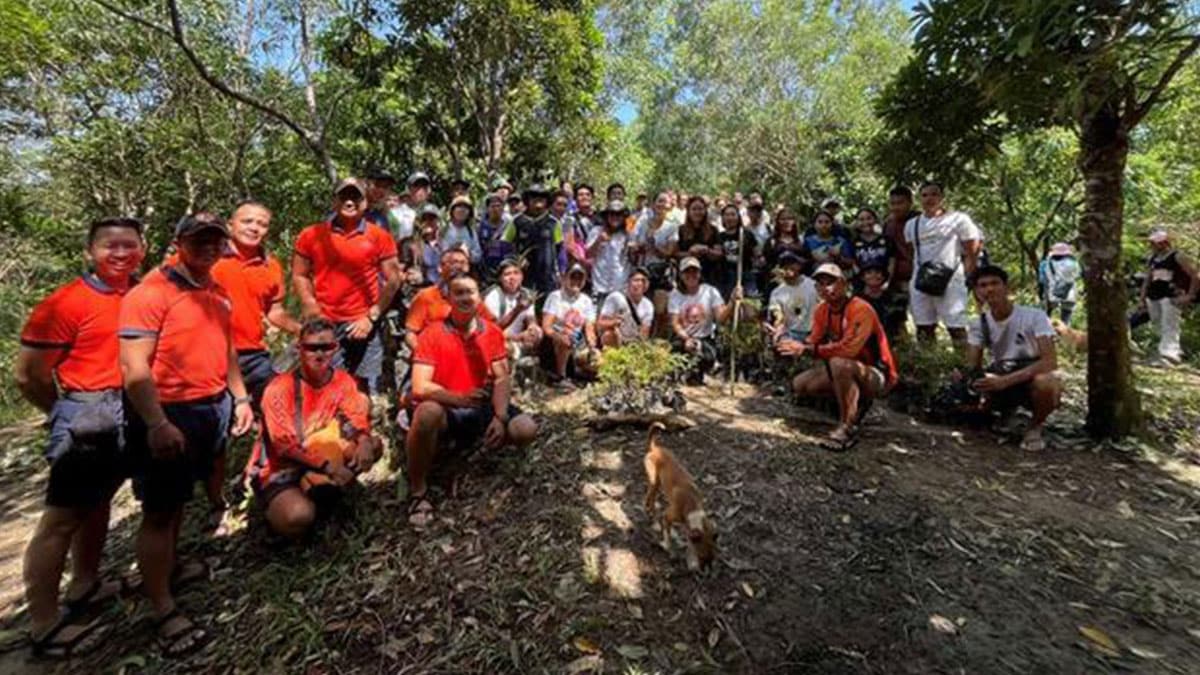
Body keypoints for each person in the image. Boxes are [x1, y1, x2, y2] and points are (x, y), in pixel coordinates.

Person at [119, 212, 255, 657]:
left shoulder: (215, 291)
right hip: (168, 410)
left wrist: (239, 399)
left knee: (178, 501)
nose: (209, 248)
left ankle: (169, 568)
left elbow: (228, 349)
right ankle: (161, 606)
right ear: (179, 241)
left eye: (216, 241)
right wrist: (156, 422)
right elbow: (133, 366)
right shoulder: (151, 293)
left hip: (210, 404)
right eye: (199, 240)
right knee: (159, 510)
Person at [16, 217, 144, 658]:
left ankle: (85, 583)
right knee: (62, 516)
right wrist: (63, 412)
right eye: (111, 246)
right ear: (91, 251)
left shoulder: (138, 293)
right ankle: (44, 625)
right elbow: (29, 375)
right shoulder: (66, 302)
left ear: (142, 250)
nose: (121, 253)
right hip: (88, 408)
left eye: (130, 245)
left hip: (132, 405)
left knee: (100, 499)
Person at [406, 272, 539, 527]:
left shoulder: (491, 332)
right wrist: (458, 398)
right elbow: (420, 386)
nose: (466, 297)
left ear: (479, 297)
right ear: (448, 297)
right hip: (448, 406)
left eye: (471, 292)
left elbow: (502, 377)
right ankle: (418, 490)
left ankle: (483, 446)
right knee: (426, 413)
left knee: (526, 429)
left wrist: (500, 417)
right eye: (459, 292)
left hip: (481, 405)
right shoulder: (431, 334)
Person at [246, 318, 383, 539]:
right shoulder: (279, 389)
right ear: (299, 349)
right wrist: (328, 468)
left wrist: (364, 440)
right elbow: (284, 446)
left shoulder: (342, 380)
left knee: (374, 446)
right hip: (281, 467)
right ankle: (281, 511)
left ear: (335, 348)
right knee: (298, 517)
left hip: (317, 450)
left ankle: (327, 492)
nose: (319, 354)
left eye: (326, 347)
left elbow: (356, 416)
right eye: (312, 348)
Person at [293, 178, 404, 394]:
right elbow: (299, 274)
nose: (350, 202)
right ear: (335, 201)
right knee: (327, 385)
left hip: (363, 323)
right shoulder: (311, 235)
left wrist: (372, 316)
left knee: (364, 386)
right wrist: (309, 304)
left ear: (365, 203)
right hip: (325, 323)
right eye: (344, 196)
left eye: (356, 197)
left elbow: (393, 279)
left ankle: (361, 425)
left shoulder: (379, 236)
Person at [783, 264, 898, 448]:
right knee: (800, 385)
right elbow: (812, 341)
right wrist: (788, 344)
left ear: (843, 284)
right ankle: (850, 401)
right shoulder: (822, 311)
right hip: (845, 368)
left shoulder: (861, 309)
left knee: (840, 364)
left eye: (831, 282)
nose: (826, 288)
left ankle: (848, 426)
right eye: (820, 284)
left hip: (876, 373)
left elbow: (848, 350)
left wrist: (808, 349)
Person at [965, 265, 1064, 451]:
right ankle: (1002, 413)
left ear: (1007, 287)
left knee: (1048, 381)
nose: (989, 289)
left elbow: (1050, 361)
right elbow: (973, 364)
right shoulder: (979, 323)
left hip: (1030, 374)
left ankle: (1035, 426)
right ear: (976, 292)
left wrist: (1005, 381)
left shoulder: (1034, 316)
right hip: (1001, 373)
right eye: (983, 285)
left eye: (995, 283)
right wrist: (975, 381)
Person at [904, 181, 983, 346]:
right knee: (924, 326)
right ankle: (929, 364)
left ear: (942, 197)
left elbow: (973, 248)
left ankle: (963, 364)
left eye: (934, 194)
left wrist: (967, 274)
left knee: (956, 325)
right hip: (922, 280)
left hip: (951, 279)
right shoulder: (912, 224)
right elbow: (912, 251)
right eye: (924, 195)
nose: (929, 199)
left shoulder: (959, 219)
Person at [669, 256, 738, 383]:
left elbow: (721, 318)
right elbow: (675, 323)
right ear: (681, 275)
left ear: (700, 273)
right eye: (687, 272)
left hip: (704, 339)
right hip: (683, 337)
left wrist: (732, 302)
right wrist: (686, 339)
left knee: (707, 355)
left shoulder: (710, 291)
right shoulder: (675, 294)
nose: (691, 275)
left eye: (694, 271)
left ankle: (701, 370)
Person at [1138, 228, 1198, 365]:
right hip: (1153, 296)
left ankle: (1169, 354)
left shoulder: (1177, 256)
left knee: (1170, 323)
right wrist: (1142, 298)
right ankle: (1171, 350)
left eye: (1155, 243)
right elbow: (1148, 278)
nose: (1152, 246)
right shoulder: (1153, 258)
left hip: (1171, 295)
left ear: (1164, 243)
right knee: (1158, 323)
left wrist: (1189, 295)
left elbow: (1194, 275)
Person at [542, 263, 599, 388]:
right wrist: (558, 336)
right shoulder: (555, 297)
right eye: (573, 277)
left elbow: (589, 326)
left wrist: (591, 341)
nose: (576, 281)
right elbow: (546, 327)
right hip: (556, 341)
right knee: (566, 339)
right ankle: (560, 376)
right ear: (564, 278)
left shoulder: (586, 300)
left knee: (597, 358)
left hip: (578, 340)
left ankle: (581, 372)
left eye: (580, 278)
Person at [632, 192, 680, 335]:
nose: (661, 204)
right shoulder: (642, 223)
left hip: (661, 273)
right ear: (653, 204)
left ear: (670, 205)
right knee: (642, 310)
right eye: (659, 201)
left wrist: (654, 247)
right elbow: (634, 242)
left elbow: (669, 251)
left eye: (665, 202)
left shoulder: (672, 226)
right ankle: (641, 341)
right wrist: (637, 247)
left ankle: (658, 342)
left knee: (660, 311)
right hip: (642, 269)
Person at [502, 184, 564, 295]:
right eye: (534, 197)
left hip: (548, 278)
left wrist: (562, 274)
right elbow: (504, 246)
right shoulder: (517, 221)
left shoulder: (553, 223)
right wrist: (516, 259)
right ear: (527, 200)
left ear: (547, 201)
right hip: (522, 278)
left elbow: (560, 252)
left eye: (542, 198)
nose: (538, 200)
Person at [483, 259, 542, 360]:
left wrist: (532, 327)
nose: (512, 278)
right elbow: (492, 330)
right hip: (500, 341)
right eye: (507, 274)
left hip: (519, 339)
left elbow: (530, 317)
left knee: (538, 331)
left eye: (516, 273)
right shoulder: (493, 296)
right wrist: (517, 310)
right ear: (500, 278)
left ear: (522, 277)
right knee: (508, 348)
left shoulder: (526, 294)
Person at [767, 252, 819, 346]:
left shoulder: (814, 285)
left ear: (799, 266)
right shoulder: (776, 293)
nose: (788, 267)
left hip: (814, 332)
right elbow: (777, 315)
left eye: (792, 263)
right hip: (791, 334)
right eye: (784, 265)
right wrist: (778, 328)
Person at [587, 200, 633, 301]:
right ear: (606, 216)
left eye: (619, 214)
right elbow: (588, 255)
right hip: (599, 286)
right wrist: (598, 241)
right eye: (612, 214)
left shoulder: (627, 235)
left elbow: (632, 259)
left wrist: (634, 250)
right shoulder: (596, 231)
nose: (615, 217)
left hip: (621, 286)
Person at [598, 267, 654, 347]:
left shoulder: (648, 305)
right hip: (617, 338)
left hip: (633, 342)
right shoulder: (616, 297)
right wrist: (614, 322)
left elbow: (644, 332)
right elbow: (600, 324)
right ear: (629, 282)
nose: (640, 283)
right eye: (636, 280)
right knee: (609, 334)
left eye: (643, 281)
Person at [676, 196, 722, 285]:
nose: (697, 212)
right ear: (688, 212)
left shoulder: (713, 230)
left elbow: (719, 253)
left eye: (700, 209)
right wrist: (690, 253)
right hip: (687, 276)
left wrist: (707, 250)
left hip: (709, 275)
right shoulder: (680, 230)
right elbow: (675, 253)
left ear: (705, 211)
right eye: (694, 209)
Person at [716, 204, 758, 298]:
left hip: (746, 274)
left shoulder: (747, 234)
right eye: (726, 215)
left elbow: (757, 253)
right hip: (726, 276)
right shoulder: (719, 236)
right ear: (722, 218)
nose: (730, 218)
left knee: (752, 302)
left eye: (733, 214)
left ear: (738, 217)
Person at [882, 186, 918, 294]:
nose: (896, 207)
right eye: (893, 203)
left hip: (919, 277)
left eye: (900, 203)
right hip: (895, 279)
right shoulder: (888, 223)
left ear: (910, 203)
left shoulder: (921, 221)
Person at [857, 264, 907, 340]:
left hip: (891, 341)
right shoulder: (856, 300)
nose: (873, 275)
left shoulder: (895, 299)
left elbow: (901, 326)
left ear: (884, 277)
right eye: (869, 273)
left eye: (878, 272)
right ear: (863, 277)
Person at [1038, 242, 1081, 324]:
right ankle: (1064, 334)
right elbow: (1078, 275)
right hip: (1069, 294)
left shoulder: (1045, 263)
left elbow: (1042, 280)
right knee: (1066, 318)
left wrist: (1041, 294)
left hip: (1053, 294)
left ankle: (1046, 331)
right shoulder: (1074, 263)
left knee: (1045, 317)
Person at [389, 171, 433, 243]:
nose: (420, 190)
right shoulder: (396, 214)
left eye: (424, 186)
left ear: (429, 190)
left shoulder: (434, 213)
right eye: (416, 185)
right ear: (408, 189)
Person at [852, 208, 895, 280]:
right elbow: (853, 264)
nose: (865, 222)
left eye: (869, 218)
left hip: (884, 283)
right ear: (857, 222)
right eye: (861, 220)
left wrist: (888, 281)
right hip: (862, 285)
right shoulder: (854, 242)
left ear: (875, 220)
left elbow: (892, 263)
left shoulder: (886, 240)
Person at [477, 192, 512, 276]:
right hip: (485, 269)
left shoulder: (509, 226)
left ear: (503, 208)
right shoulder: (479, 227)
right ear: (488, 209)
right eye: (492, 206)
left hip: (505, 267)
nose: (495, 209)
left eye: (498, 206)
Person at [441, 196, 482, 266]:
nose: (462, 210)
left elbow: (478, 256)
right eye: (459, 206)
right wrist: (452, 249)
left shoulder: (471, 232)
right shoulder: (444, 229)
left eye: (465, 208)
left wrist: (467, 253)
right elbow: (436, 253)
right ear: (452, 210)